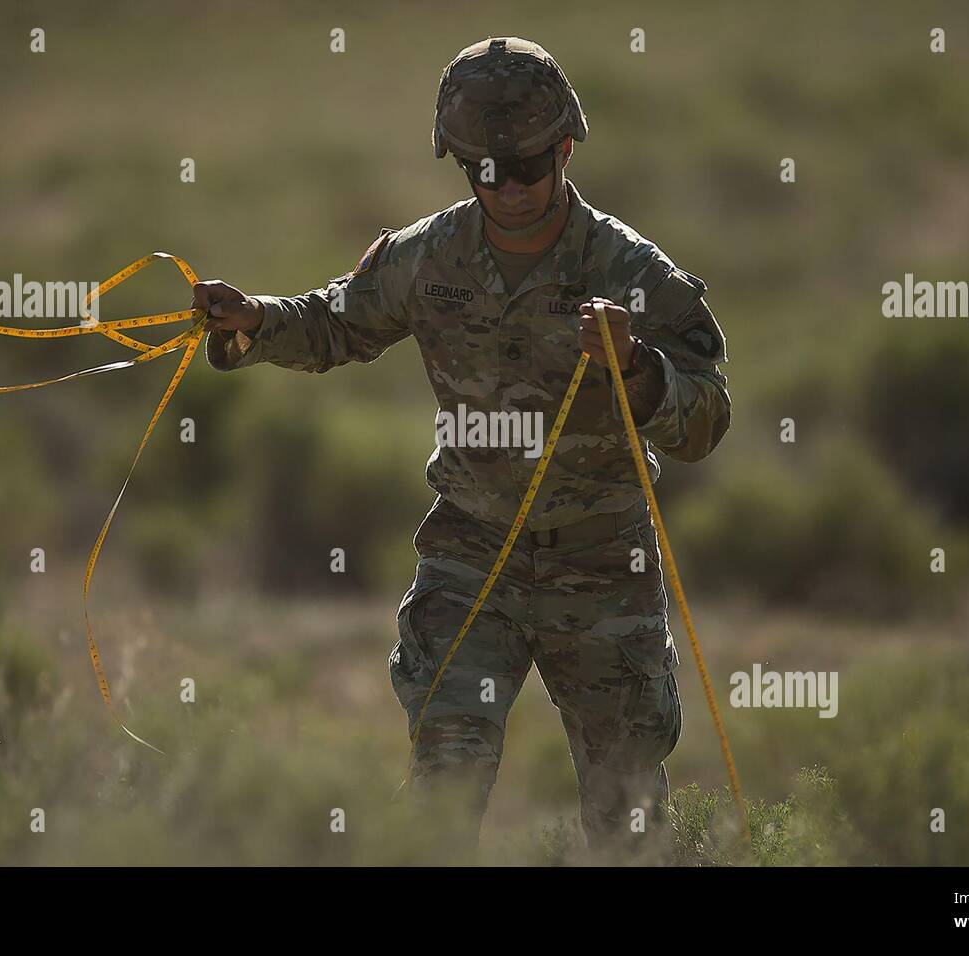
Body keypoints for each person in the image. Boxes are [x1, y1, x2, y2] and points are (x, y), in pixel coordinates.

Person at [195, 36, 730, 858]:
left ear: (565, 149)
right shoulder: (428, 256)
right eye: (482, 170)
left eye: (522, 169)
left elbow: (706, 421)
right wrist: (254, 324)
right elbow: (338, 322)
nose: (505, 189)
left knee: (628, 822)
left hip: (602, 568)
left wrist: (636, 368)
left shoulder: (632, 272)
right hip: (471, 557)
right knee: (444, 787)